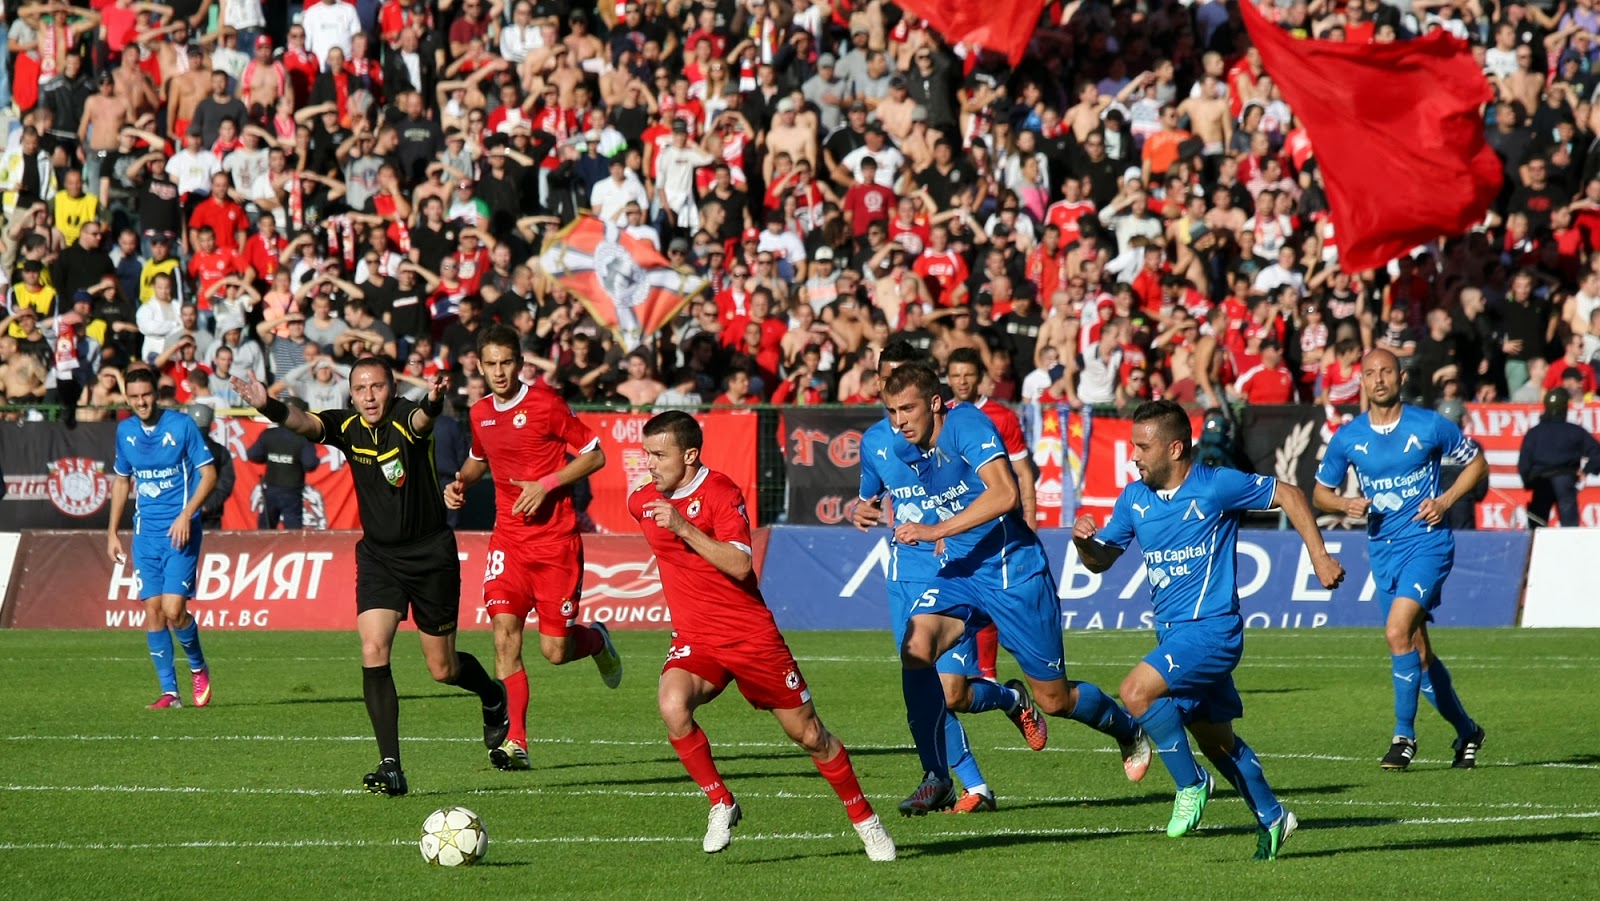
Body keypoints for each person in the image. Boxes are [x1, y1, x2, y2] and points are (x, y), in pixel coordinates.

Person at [1072, 400, 1344, 859]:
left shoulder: (1215, 485)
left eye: (1143, 446)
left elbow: (1292, 494)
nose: (1133, 456)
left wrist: (1318, 557)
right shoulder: (1134, 499)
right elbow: (1103, 562)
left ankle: (1191, 784)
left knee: (1137, 692)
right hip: (1174, 635)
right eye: (1132, 445)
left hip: (1213, 632)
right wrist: (1084, 546)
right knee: (1219, 742)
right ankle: (1274, 817)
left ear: (1175, 448)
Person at [882, 363, 1152, 815]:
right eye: (891, 411)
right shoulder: (906, 448)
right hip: (963, 573)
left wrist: (935, 530)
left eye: (907, 409)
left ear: (934, 403)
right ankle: (937, 775)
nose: (899, 420)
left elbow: (1005, 494)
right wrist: (947, 534)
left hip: (1015, 576)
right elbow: (958, 494)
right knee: (917, 649)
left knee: (1056, 699)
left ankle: (1126, 729)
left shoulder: (966, 423)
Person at [230, 360, 509, 795]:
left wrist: (434, 400)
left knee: (442, 668)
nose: (370, 395)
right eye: (361, 389)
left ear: (392, 387)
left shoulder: (404, 418)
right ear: (352, 394)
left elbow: (422, 419)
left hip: (431, 555)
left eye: (377, 386)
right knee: (372, 646)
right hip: (379, 557)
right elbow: (304, 422)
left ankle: (491, 695)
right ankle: (391, 766)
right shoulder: (347, 427)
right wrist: (268, 405)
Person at [630, 411, 896, 861]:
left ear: (690, 455)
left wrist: (682, 526)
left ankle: (865, 820)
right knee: (673, 705)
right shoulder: (640, 501)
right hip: (697, 636)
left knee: (810, 735)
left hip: (750, 636)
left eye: (660, 454)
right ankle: (720, 801)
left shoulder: (721, 492)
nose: (649, 464)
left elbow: (739, 565)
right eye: (646, 454)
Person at [444, 326, 623, 771]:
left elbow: (596, 455)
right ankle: (516, 742)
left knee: (555, 652)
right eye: (492, 364)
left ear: (520, 363)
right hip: (508, 541)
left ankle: (596, 640)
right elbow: (480, 458)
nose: (500, 372)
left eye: (507, 363)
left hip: (555, 544)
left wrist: (546, 484)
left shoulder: (545, 404)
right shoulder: (481, 412)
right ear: (480, 367)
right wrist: (463, 481)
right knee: (504, 635)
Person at [853, 342, 1018, 816]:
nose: (894, 397)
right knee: (922, 684)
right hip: (904, 575)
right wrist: (861, 510)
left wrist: (954, 530)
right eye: (887, 386)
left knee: (955, 693)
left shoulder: (950, 431)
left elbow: (989, 486)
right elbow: (867, 497)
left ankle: (1009, 698)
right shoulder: (875, 442)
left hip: (954, 570)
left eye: (901, 387)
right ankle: (965, 784)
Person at [1312, 349, 1488, 770]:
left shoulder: (1429, 424)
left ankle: (1403, 736)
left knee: (1395, 632)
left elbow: (1477, 464)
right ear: (1362, 381)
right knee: (1417, 652)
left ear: (1401, 377)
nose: (1378, 379)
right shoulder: (1349, 436)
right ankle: (1467, 731)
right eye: (1370, 372)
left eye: (1386, 371)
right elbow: (1319, 493)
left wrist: (1444, 500)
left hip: (1427, 543)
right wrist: (1344, 504)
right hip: (1382, 549)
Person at [104, 369, 218, 709]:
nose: (141, 402)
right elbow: (122, 481)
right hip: (145, 534)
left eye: (147, 395)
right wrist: (112, 532)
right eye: (135, 396)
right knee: (153, 611)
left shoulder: (181, 426)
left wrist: (187, 514)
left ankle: (198, 666)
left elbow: (209, 475)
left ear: (157, 394)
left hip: (180, 531)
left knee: (173, 609)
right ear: (127, 397)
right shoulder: (125, 432)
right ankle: (170, 692)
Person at [945, 346, 1037, 681]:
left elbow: (1023, 472)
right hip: (958, 521)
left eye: (968, 374)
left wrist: (1031, 517)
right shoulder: (942, 417)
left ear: (980, 377)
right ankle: (966, 671)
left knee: (1000, 598)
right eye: (955, 375)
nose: (962, 381)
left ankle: (989, 673)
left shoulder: (1002, 417)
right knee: (960, 595)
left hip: (998, 521)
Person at [1517, 388, 1600, 528]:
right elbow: (1597, 453)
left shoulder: (1534, 433)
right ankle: (1571, 549)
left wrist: (1528, 482)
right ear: (1565, 407)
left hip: (1541, 483)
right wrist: (1586, 470)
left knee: (1537, 528)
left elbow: (1523, 464)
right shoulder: (1575, 431)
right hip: (1565, 482)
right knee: (1569, 528)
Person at [246, 396, 320, 529]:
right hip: (292, 492)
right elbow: (310, 464)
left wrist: (271, 457)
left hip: (271, 490)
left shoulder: (269, 434)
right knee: (293, 534)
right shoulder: (302, 439)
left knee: (265, 532)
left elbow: (253, 454)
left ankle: (263, 550)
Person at [184, 403, 235, 531]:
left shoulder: (179, 449)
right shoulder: (220, 451)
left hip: (192, 514)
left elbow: (225, 482)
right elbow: (225, 483)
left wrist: (207, 506)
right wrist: (208, 506)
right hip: (201, 514)